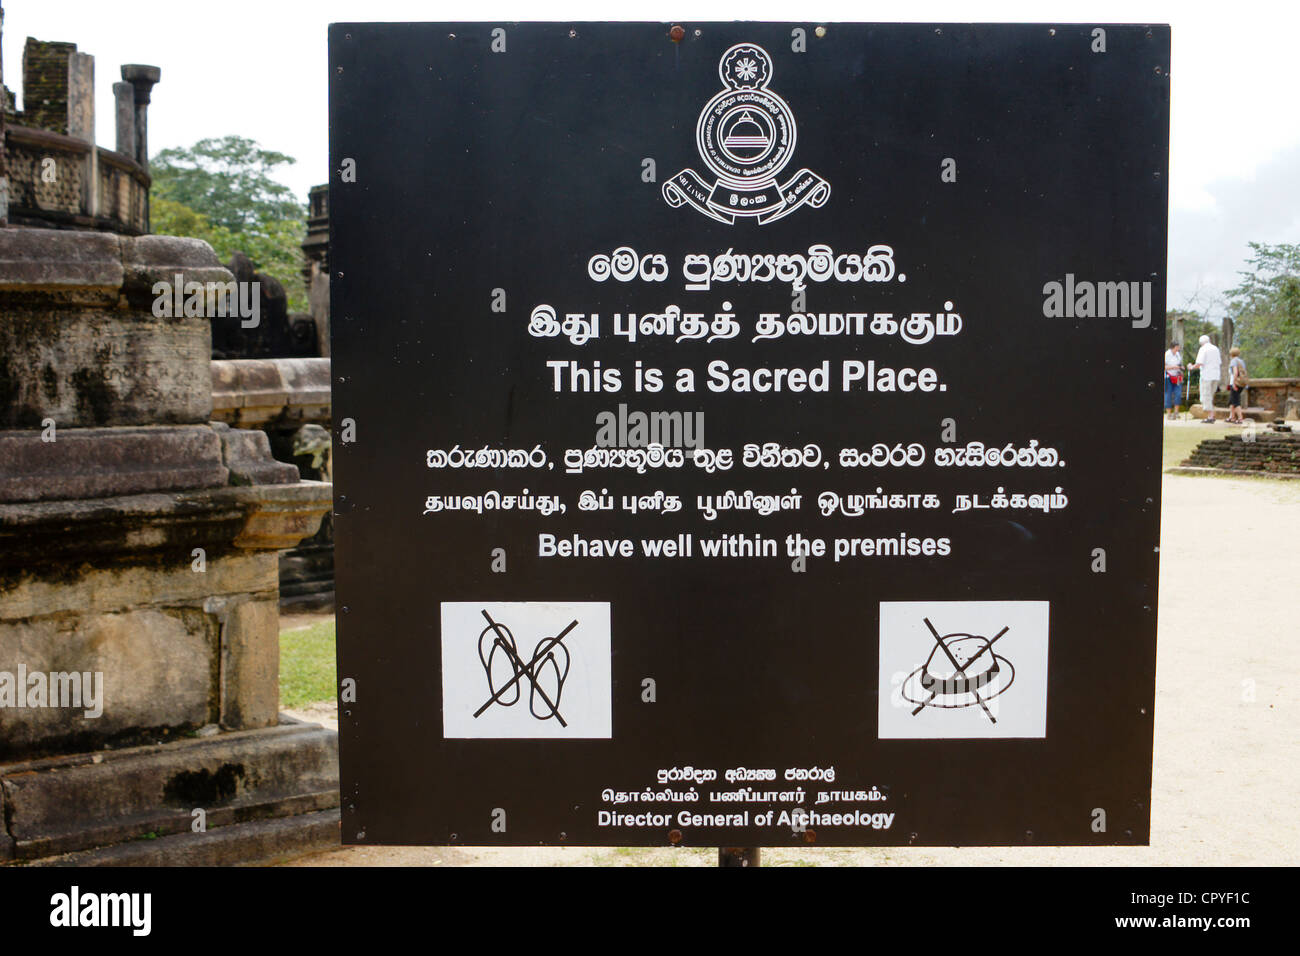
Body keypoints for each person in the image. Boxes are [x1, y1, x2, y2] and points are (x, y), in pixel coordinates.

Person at [1190, 333, 1222, 423]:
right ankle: (1210, 415)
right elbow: (1219, 362)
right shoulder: (1215, 348)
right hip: (1216, 375)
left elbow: (1199, 363)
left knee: (1205, 396)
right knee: (1210, 395)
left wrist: (1191, 367)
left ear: (1201, 343)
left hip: (1207, 375)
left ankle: (1211, 416)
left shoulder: (1203, 349)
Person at [1226, 347, 1248, 424]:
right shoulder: (1241, 361)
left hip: (1236, 383)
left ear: (1231, 354)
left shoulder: (1233, 361)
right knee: (1232, 401)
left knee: (1236, 401)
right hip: (1241, 383)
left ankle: (1240, 418)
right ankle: (1232, 417)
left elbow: (1235, 372)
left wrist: (1234, 383)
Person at [1163, 342, 1183, 421]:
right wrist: (1173, 367)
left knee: (1178, 393)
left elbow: (1179, 364)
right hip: (1168, 376)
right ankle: (1169, 413)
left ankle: (1176, 412)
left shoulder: (1178, 354)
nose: (1178, 349)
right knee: (1168, 394)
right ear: (1173, 347)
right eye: (1177, 347)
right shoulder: (1167, 354)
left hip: (1177, 376)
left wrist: (1181, 367)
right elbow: (1164, 366)